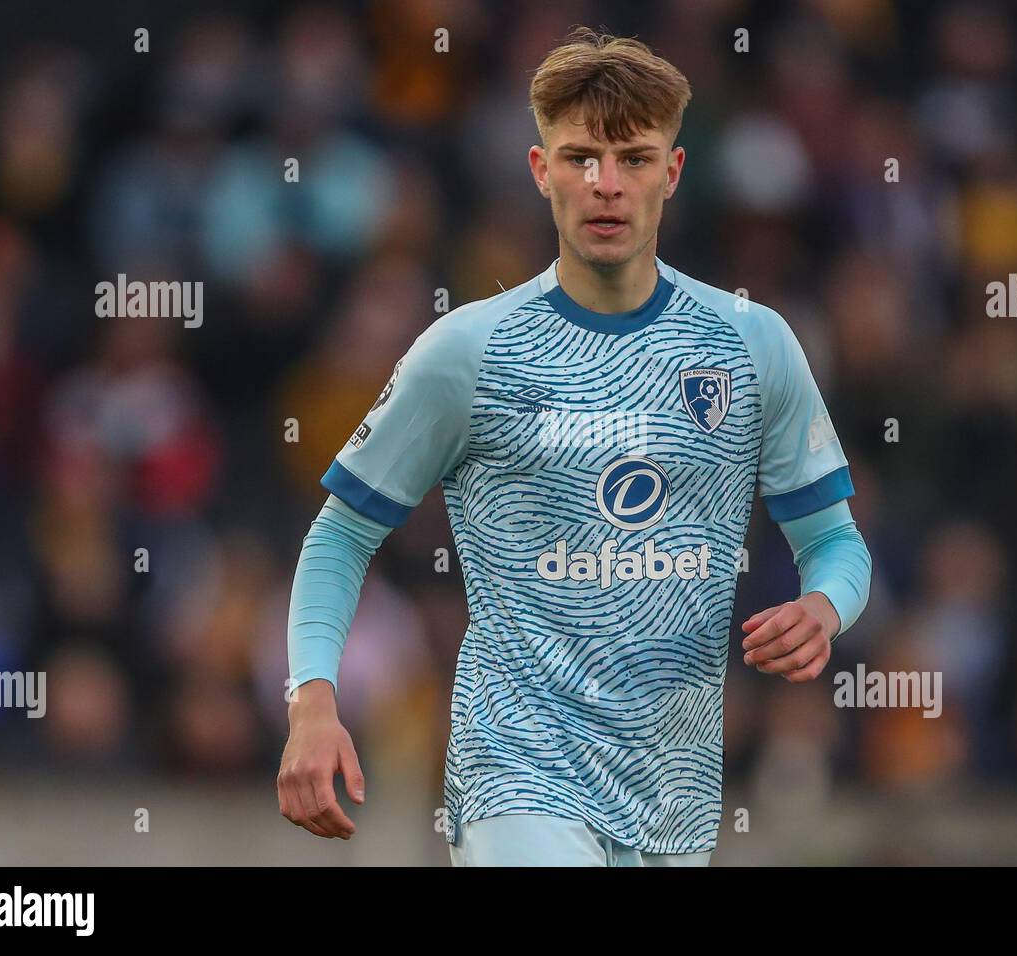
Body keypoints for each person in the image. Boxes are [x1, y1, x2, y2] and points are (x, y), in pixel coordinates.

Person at [277, 26, 871, 867]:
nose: (606, 185)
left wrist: (824, 609)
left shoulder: (752, 345)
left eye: (633, 158)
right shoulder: (467, 352)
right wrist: (311, 700)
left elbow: (836, 542)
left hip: (676, 794)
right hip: (515, 771)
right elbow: (341, 532)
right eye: (581, 156)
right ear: (539, 170)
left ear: (672, 172)